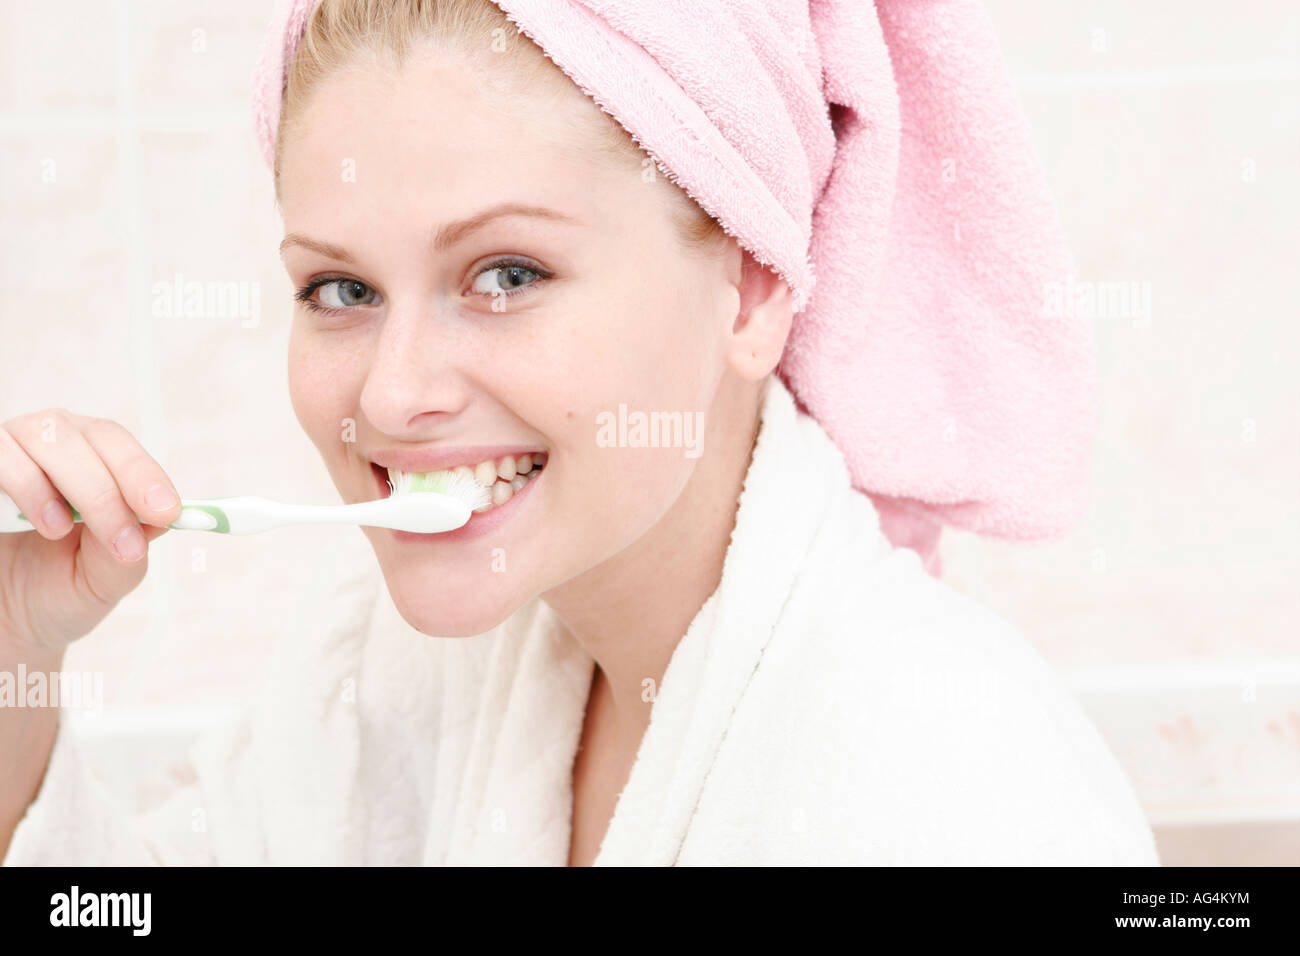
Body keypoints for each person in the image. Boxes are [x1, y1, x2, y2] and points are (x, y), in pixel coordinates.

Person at [0, 0, 1160, 865]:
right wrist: (16, 650)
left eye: (506, 272)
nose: (396, 396)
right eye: (341, 291)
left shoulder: (962, 795)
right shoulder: (405, 670)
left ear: (752, 287)